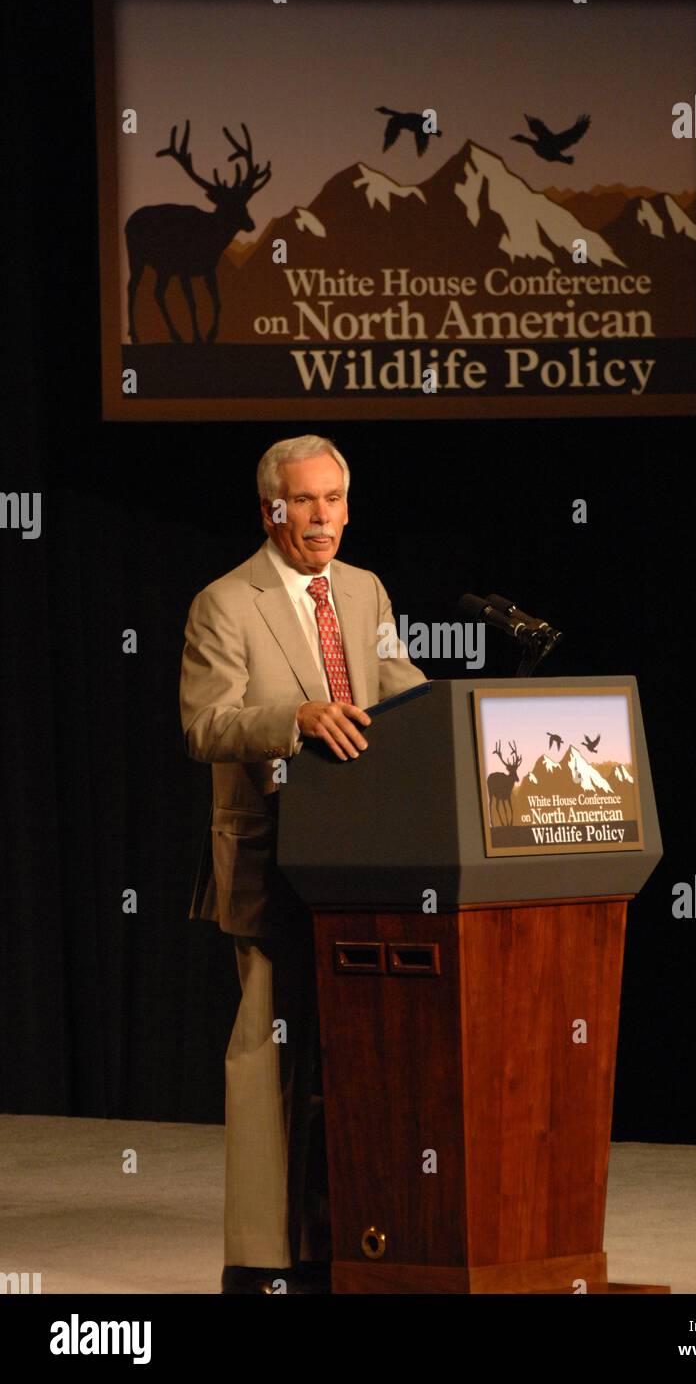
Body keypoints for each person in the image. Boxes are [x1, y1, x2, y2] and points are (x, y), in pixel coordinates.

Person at [179, 435, 427, 1294]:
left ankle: (343, 1237)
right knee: (267, 1059)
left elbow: (395, 685)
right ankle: (259, 1262)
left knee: (356, 1055)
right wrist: (302, 716)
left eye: (334, 501)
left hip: (369, 859)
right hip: (271, 857)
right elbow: (206, 724)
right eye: (305, 503)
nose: (322, 518)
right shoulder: (224, 602)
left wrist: (459, 722)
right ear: (271, 511)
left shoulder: (363, 591)